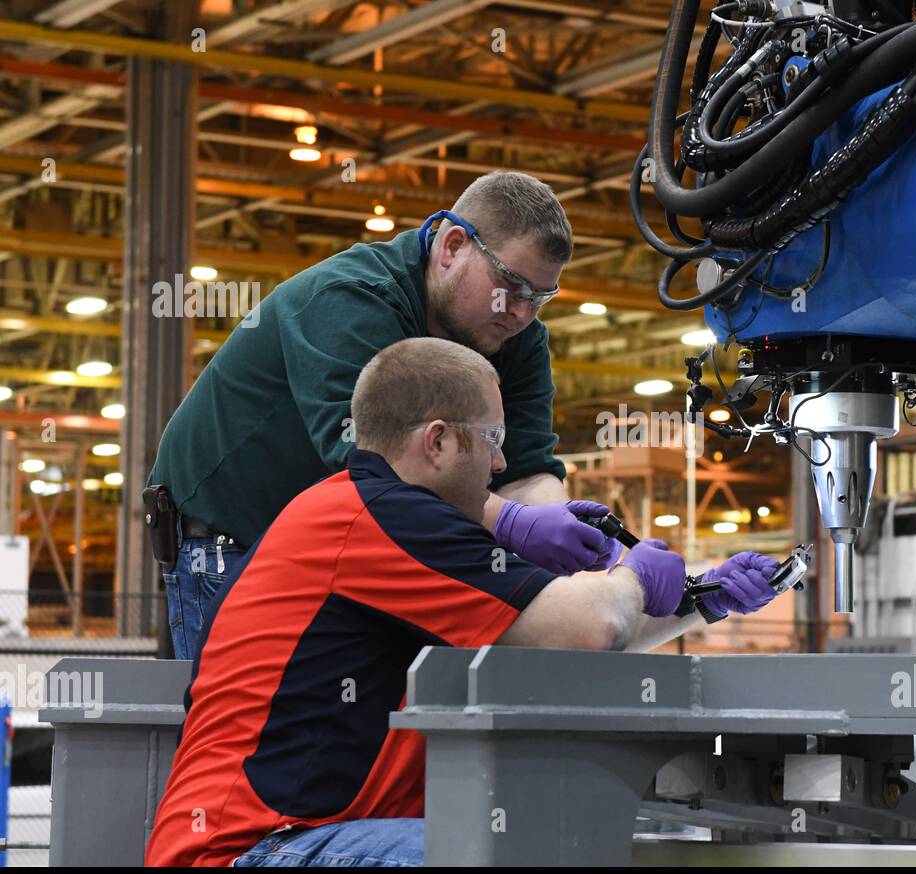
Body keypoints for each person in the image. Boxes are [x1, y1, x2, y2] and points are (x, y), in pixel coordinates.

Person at [145, 338, 781, 867]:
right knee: (512, 855)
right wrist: (635, 576)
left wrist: (703, 600)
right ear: (439, 441)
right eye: (495, 436)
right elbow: (595, 626)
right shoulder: (372, 517)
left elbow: (566, 641)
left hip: (323, 839)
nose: (504, 458)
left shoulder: (393, 521)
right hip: (252, 851)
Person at [148, 171, 623, 659]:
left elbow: (522, 466)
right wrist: (512, 523)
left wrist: (578, 547)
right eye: (512, 285)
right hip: (229, 539)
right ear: (453, 246)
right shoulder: (350, 300)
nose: (523, 312)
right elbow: (374, 472)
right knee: (259, 707)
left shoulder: (515, 337)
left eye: (539, 298)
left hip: (353, 537)